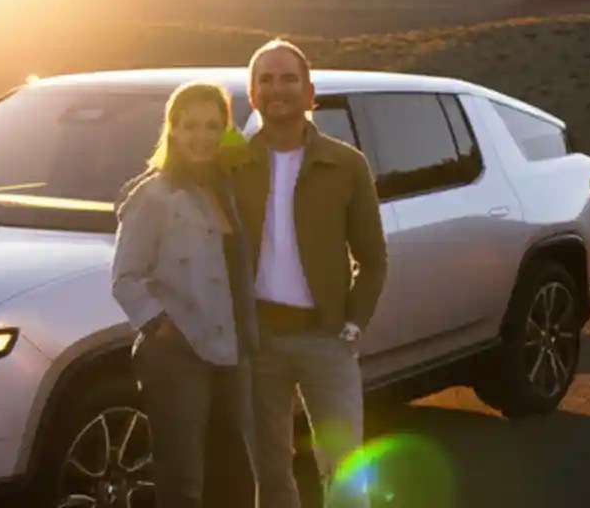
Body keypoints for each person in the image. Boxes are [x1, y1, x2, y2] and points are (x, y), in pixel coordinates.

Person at [228, 39, 387, 508]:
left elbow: (373, 259)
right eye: (266, 79)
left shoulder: (346, 164)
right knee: (270, 472)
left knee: (343, 469)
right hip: (258, 344)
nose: (277, 89)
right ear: (252, 94)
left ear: (309, 92)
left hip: (325, 339)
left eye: (288, 79)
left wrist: (353, 324)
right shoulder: (231, 164)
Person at [111, 81, 260, 508]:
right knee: (184, 478)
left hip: (232, 350)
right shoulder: (153, 195)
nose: (202, 137)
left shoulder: (230, 188)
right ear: (172, 129)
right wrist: (162, 326)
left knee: (235, 471)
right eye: (190, 125)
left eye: (213, 126)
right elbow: (125, 278)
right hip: (177, 354)